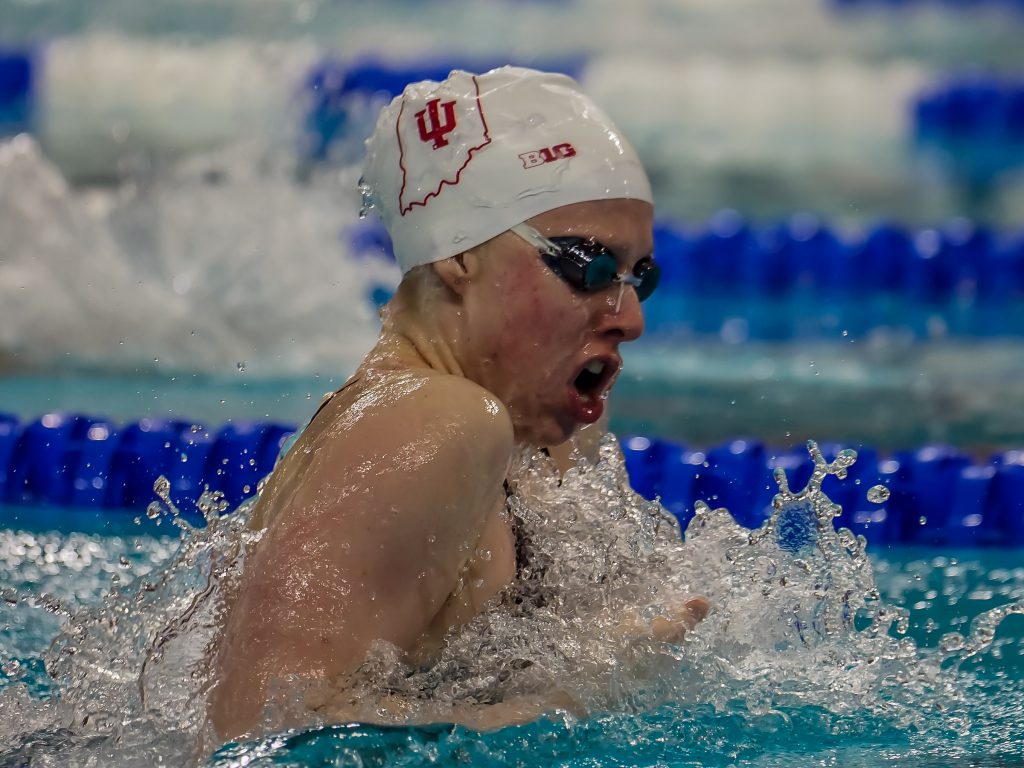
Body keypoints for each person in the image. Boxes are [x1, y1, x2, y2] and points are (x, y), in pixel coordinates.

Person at [207, 66, 708, 741]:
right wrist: (586, 691)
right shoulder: (437, 422)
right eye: (586, 266)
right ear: (460, 257)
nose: (628, 318)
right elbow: (259, 737)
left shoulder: (526, 426)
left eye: (636, 277)